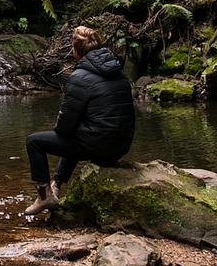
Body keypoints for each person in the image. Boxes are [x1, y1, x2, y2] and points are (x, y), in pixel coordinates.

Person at [23, 26, 136, 215]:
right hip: (121, 146)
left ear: (75, 51)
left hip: (99, 146)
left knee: (34, 142)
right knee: (79, 133)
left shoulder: (80, 77)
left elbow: (65, 128)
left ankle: (44, 197)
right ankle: (56, 185)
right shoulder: (118, 72)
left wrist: (62, 127)